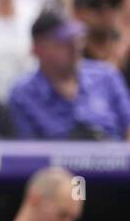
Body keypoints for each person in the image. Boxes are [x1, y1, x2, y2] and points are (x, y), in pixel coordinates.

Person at [9, 11, 130, 139]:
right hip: (55, 157)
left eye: (77, 39)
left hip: (113, 156)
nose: (75, 48)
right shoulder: (23, 95)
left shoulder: (106, 76)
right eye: (63, 42)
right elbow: (26, 152)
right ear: (38, 49)